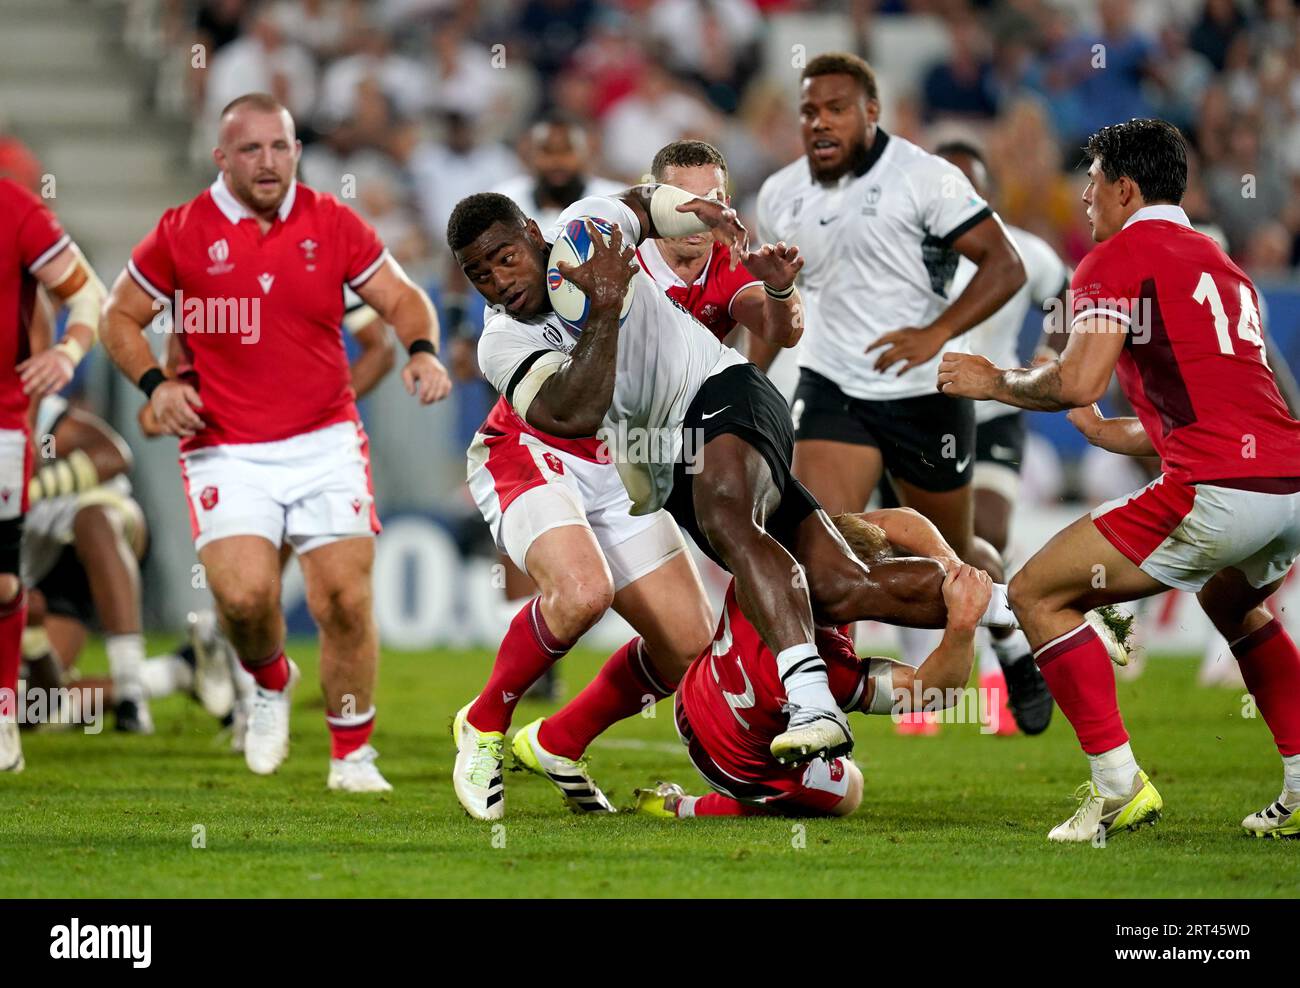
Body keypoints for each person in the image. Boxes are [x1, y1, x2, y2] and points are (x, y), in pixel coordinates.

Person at [447, 183, 1020, 783]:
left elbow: (640, 204)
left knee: (724, 531)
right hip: (647, 455)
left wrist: (696, 210)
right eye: (479, 274)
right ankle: (1022, 605)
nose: (498, 280)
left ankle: (811, 697)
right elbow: (573, 413)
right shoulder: (502, 342)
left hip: (716, 395)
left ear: (534, 237)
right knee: (839, 586)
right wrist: (608, 308)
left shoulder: (582, 232)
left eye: (505, 257)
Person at [938, 118, 1300, 842]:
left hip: (1219, 490)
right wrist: (1118, 434)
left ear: (1126, 187)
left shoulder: (1117, 257)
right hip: (1286, 488)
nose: (1086, 194)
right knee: (1237, 604)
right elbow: (1235, 407)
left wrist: (993, 379)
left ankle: (1117, 786)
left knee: (1037, 592)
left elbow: (1075, 381)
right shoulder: (1220, 264)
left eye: (1095, 179)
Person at [101, 92, 451, 791]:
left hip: (325, 440)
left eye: (280, 146)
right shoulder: (181, 231)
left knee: (344, 601)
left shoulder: (332, 221)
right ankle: (269, 682)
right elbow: (119, 318)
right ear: (221, 157)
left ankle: (352, 755)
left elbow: (404, 297)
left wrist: (421, 349)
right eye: (251, 149)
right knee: (243, 597)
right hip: (226, 445)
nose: (268, 161)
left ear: (297, 151)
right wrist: (155, 386)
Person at [489, 139, 805, 819]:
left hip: (648, 455)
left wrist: (778, 290)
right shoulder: (609, 251)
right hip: (565, 441)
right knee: (582, 592)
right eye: (691, 203)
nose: (704, 219)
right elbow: (557, 382)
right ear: (661, 203)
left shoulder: (727, 269)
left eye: (716, 201)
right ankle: (487, 722)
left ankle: (557, 738)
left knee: (688, 639)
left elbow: (778, 328)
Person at [636, 512, 991, 819]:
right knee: (852, 788)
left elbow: (890, 521)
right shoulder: (830, 670)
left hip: (692, 698)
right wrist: (962, 625)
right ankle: (683, 807)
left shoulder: (769, 559)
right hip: (730, 765)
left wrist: (950, 564)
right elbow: (930, 694)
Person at [935, 139, 1073, 735]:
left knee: (982, 534)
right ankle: (1011, 644)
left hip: (990, 413)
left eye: (971, 188)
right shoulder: (898, 254)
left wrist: (1048, 353)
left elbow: (1066, 293)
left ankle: (1012, 646)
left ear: (986, 195)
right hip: (914, 418)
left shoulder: (1021, 251)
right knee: (910, 547)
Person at [0, 177, 107, 773]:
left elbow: (86, 291)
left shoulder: (14, 207)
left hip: (4, 420)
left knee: (1, 582)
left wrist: (67, 351)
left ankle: (4, 715)